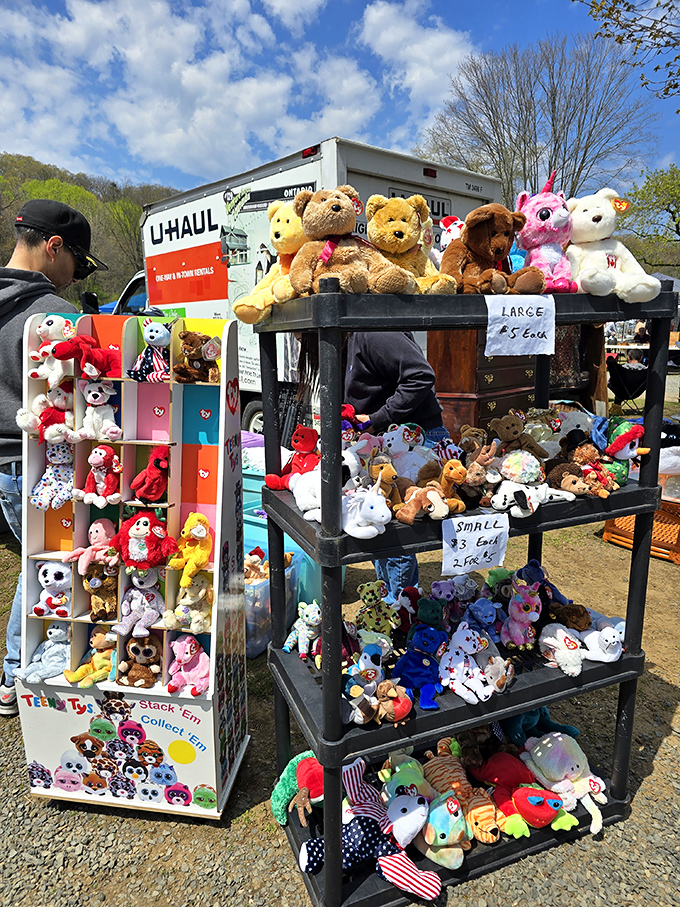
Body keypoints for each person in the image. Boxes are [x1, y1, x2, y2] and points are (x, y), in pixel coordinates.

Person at [0, 199, 107, 717]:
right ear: (53, 247)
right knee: (41, 563)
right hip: (39, 465)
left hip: (3, 463)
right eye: (77, 262)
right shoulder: (55, 319)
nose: (73, 276)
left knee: (31, 559)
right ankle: (16, 672)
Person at [298, 330, 448, 602]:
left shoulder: (372, 334)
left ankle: (399, 606)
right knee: (378, 520)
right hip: (383, 443)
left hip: (413, 441)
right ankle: (390, 601)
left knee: (395, 529)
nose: (297, 338)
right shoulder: (342, 343)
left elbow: (421, 375)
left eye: (299, 333)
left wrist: (378, 417)